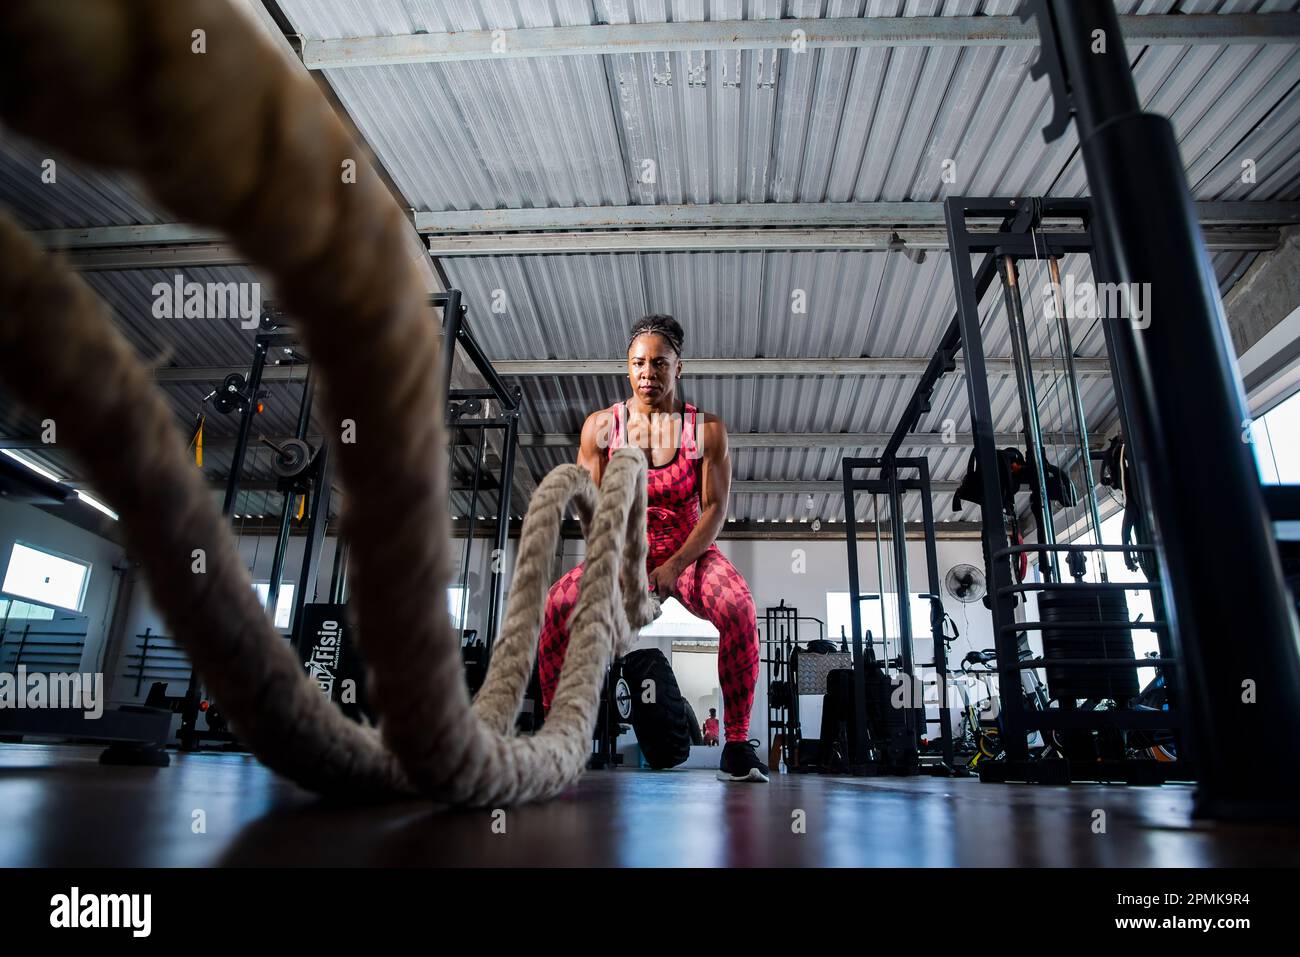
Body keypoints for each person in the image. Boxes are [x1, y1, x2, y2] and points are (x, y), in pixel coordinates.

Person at [537, 314, 768, 783]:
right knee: (559, 603)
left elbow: (715, 510)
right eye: (639, 363)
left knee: (739, 608)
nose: (648, 374)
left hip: (688, 554)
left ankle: (738, 745)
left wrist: (675, 565)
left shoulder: (706, 432)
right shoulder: (601, 429)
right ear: (627, 368)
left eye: (659, 364)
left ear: (678, 369)